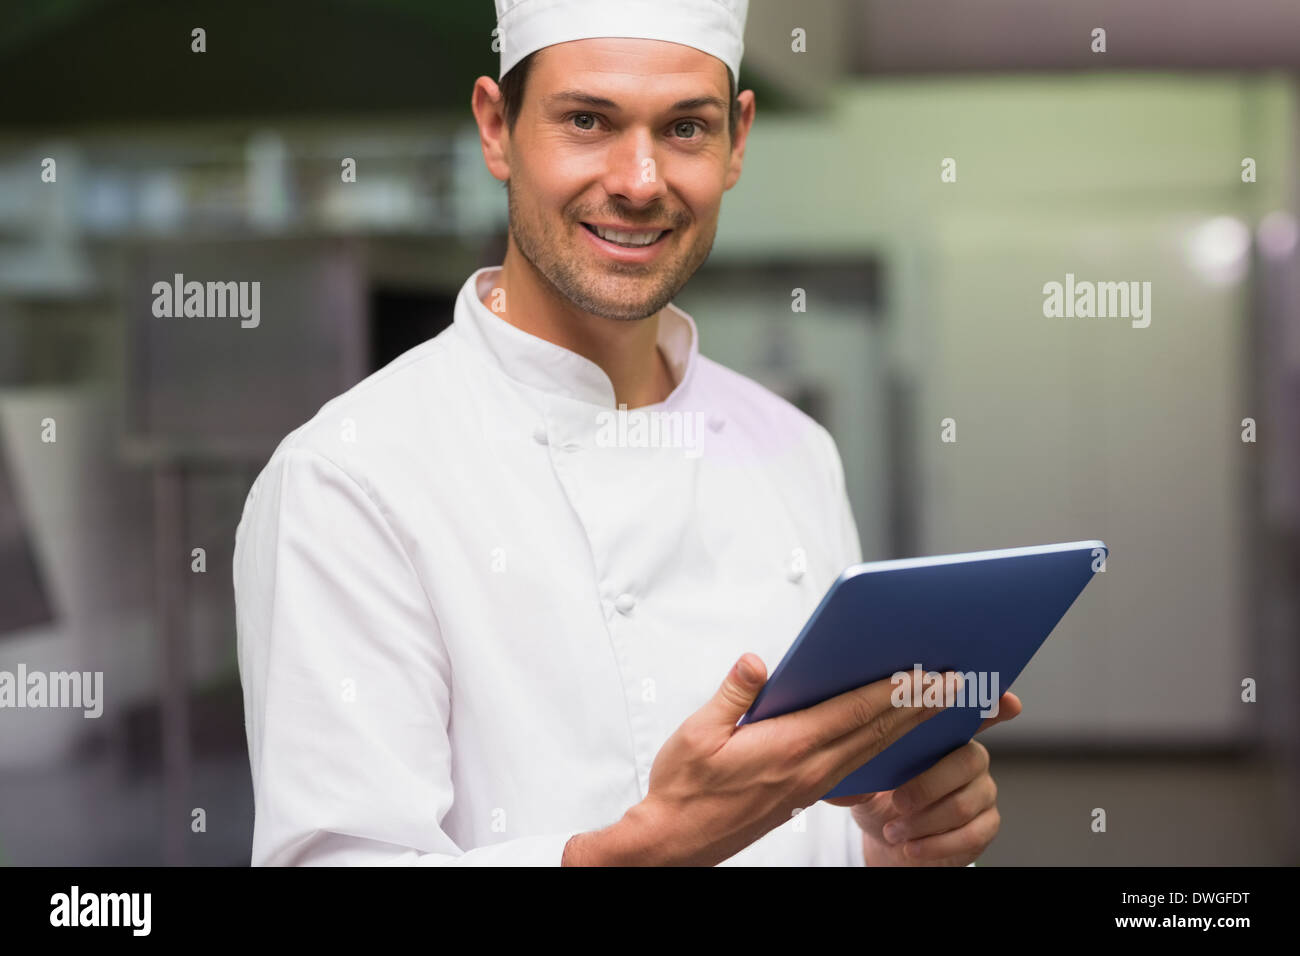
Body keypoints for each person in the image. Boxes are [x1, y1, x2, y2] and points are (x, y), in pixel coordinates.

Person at [233, 0, 1020, 866]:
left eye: (686, 127)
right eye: (586, 120)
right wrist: (651, 850)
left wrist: (893, 852)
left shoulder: (794, 447)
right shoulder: (348, 479)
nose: (640, 181)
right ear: (497, 129)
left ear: (738, 143)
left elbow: (824, 829)